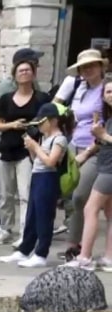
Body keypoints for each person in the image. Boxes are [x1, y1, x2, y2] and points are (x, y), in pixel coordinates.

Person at [0, 103, 73, 267]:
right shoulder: (45, 139)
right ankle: (24, 250)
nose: (38, 125)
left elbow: (51, 162)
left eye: (41, 122)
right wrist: (32, 150)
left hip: (48, 178)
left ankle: (41, 253)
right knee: (32, 215)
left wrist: (36, 147)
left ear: (53, 121)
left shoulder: (59, 139)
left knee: (44, 216)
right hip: (38, 176)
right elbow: (37, 161)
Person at [0, 58, 52, 246]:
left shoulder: (42, 98)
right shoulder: (6, 99)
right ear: (15, 76)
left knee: (25, 193)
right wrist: (12, 125)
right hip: (6, 148)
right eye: (20, 71)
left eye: (27, 70)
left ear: (33, 74)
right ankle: (6, 229)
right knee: (5, 193)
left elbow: (49, 121)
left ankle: (25, 232)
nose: (24, 73)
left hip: (28, 150)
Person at [56, 50, 110, 260]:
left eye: (92, 65)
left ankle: (81, 248)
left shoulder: (106, 90)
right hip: (74, 145)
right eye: (83, 67)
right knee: (74, 198)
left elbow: (104, 126)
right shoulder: (80, 88)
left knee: (80, 197)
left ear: (101, 67)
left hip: (96, 149)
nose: (87, 70)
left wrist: (88, 151)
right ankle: (76, 246)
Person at [67, 80, 112, 271]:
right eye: (108, 91)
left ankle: (84, 257)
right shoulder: (109, 119)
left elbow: (106, 139)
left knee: (90, 209)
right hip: (105, 165)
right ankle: (109, 258)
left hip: (109, 170)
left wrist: (104, 135)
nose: (111, 94)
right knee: (110, 213)